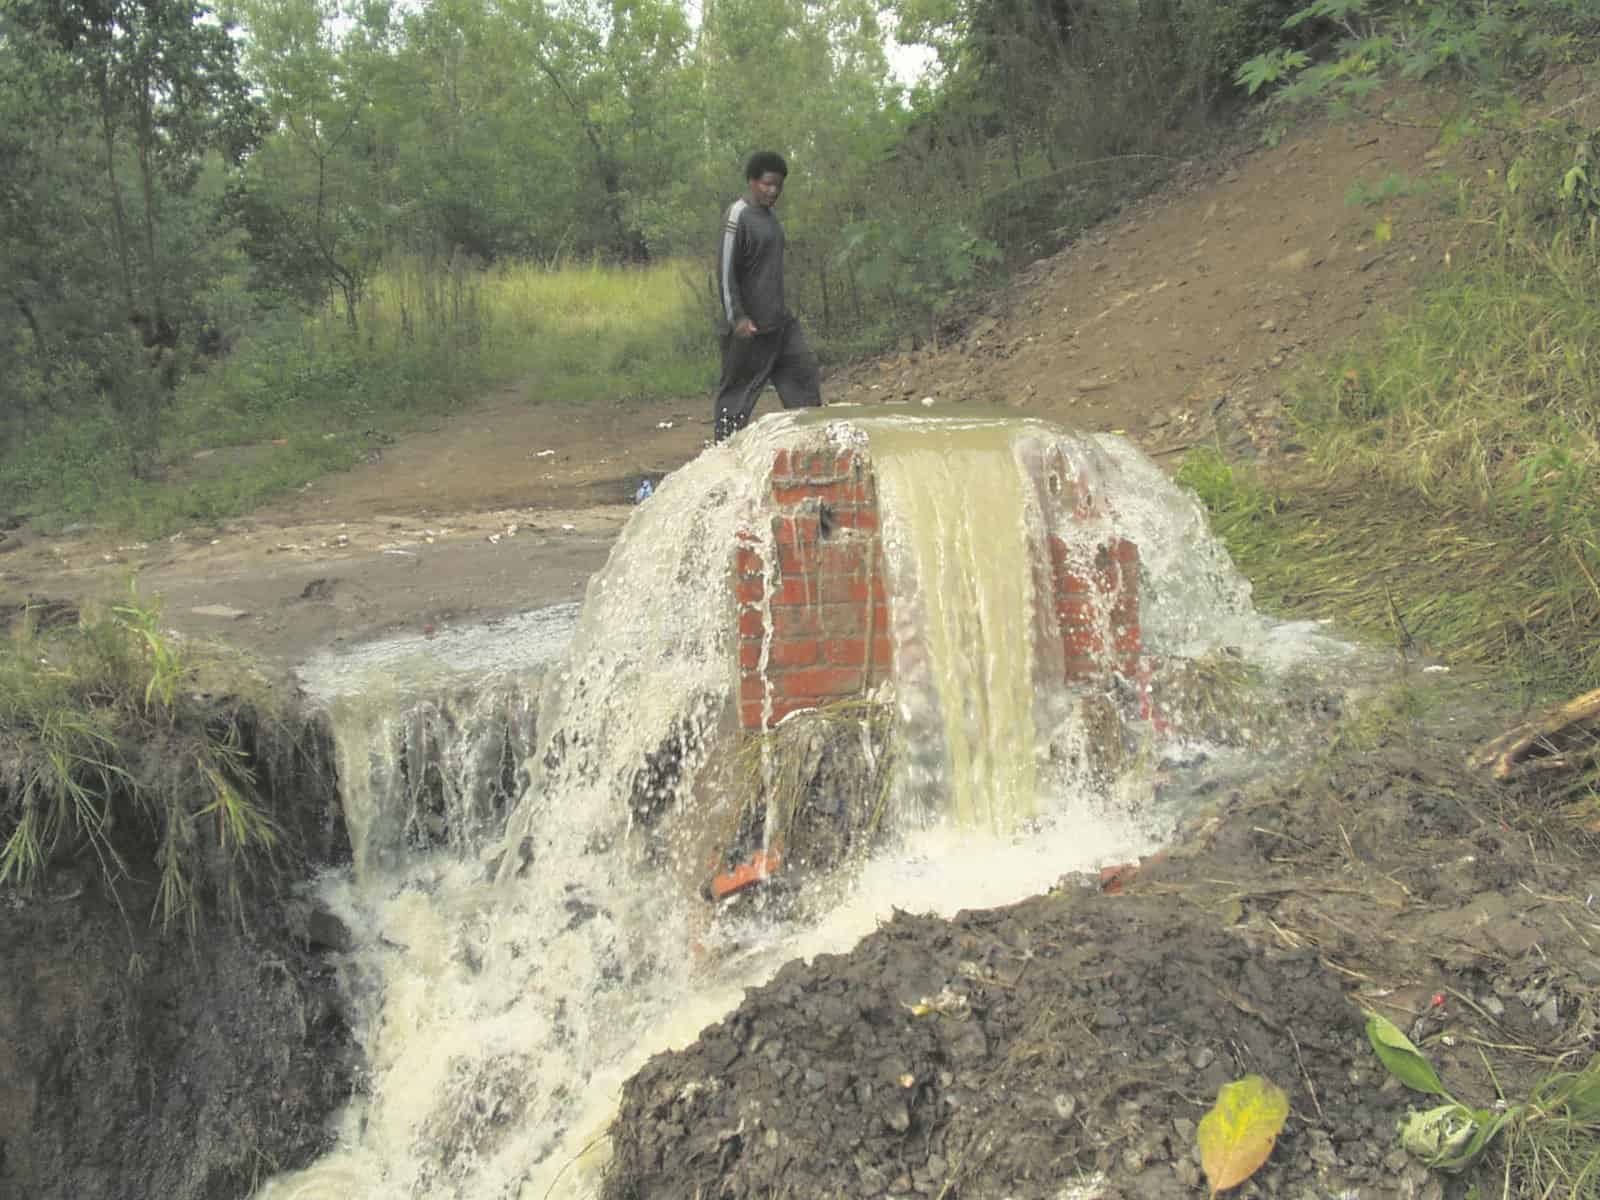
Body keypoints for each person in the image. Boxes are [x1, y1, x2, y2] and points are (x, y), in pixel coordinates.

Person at [712, 151, 822, 442]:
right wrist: (737, 317)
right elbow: (725, 272)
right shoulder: (738, 216)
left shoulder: (770, 218)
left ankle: (811, 446)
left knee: (804, 378)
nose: (773, 191)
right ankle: (723, 454)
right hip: (749, 329)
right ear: (752, 181)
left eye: (778, 186)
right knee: (736, 397)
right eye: (767, 184)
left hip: (779, 325)